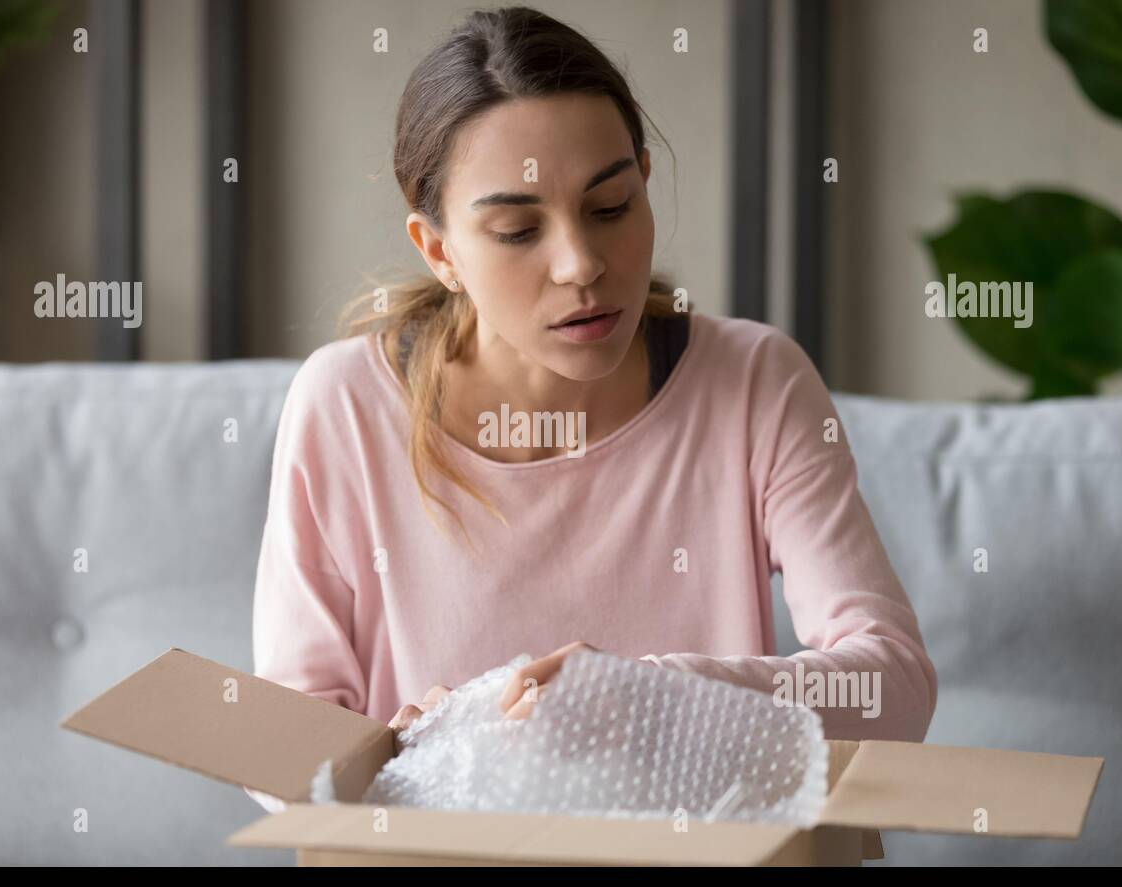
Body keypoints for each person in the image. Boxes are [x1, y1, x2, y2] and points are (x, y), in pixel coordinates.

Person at [245, 6, 936, 815]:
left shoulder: (754, 383)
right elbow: (281, 754)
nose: (582, 264)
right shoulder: (345, 405)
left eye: (611, 207)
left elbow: (893, 684)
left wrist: (647, 697)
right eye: (516, 229)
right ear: (439, 252)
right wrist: (390, 755)